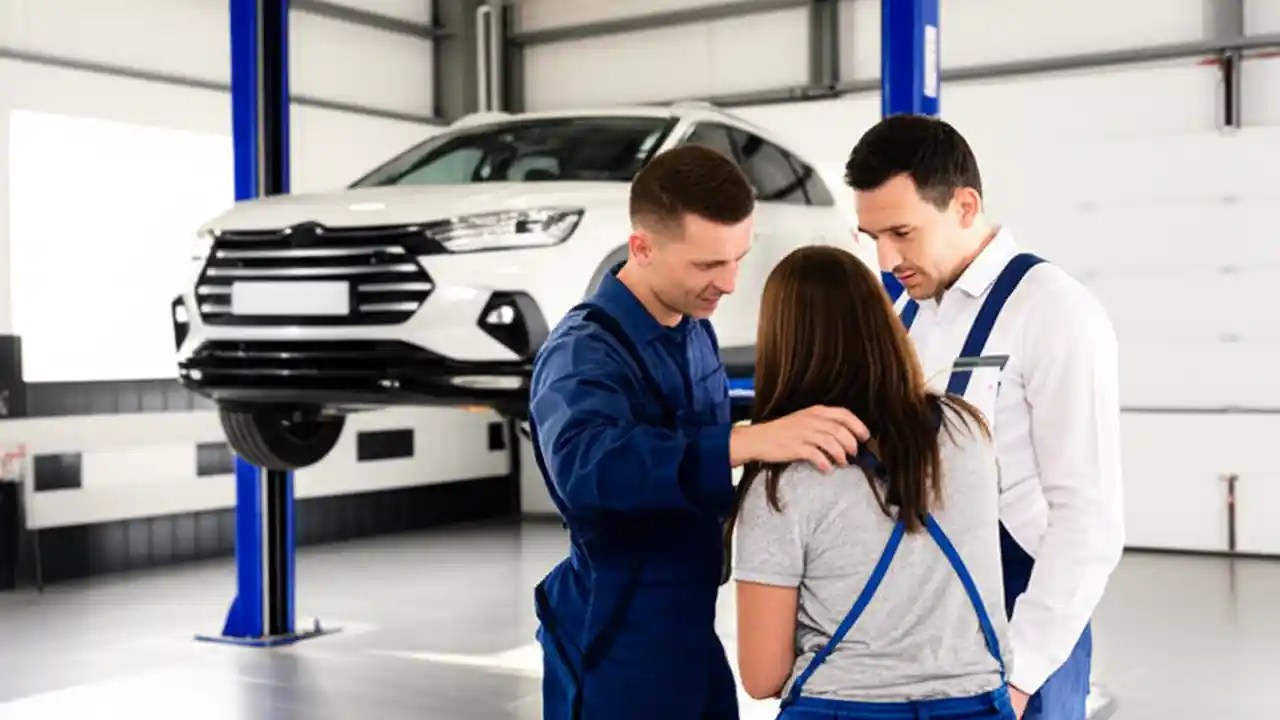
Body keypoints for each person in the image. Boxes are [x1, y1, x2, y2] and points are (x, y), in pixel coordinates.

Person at [528, 144, 870, 720]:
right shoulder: (583, 350)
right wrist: (746, 441)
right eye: (709, 265)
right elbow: (591, 467)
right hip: (615, 630)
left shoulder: (692, 328)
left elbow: (690, 425)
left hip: (690, 622)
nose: (730, 283)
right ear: (642, 247)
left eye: (739, 258)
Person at [844, 114, 1125, 720]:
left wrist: (1021, 674)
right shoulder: (905, 310)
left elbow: (1089, 517)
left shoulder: (1051, 310)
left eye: (902, 232)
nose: (887, 257)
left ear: (965, 205)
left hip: (1018, 626)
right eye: (872, 237)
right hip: (924, 621)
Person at [729, 244, 1015, 719]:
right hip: (977, 704)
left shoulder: (785, 480)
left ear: (782, 342)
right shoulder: (967, 433)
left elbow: (762, 676)